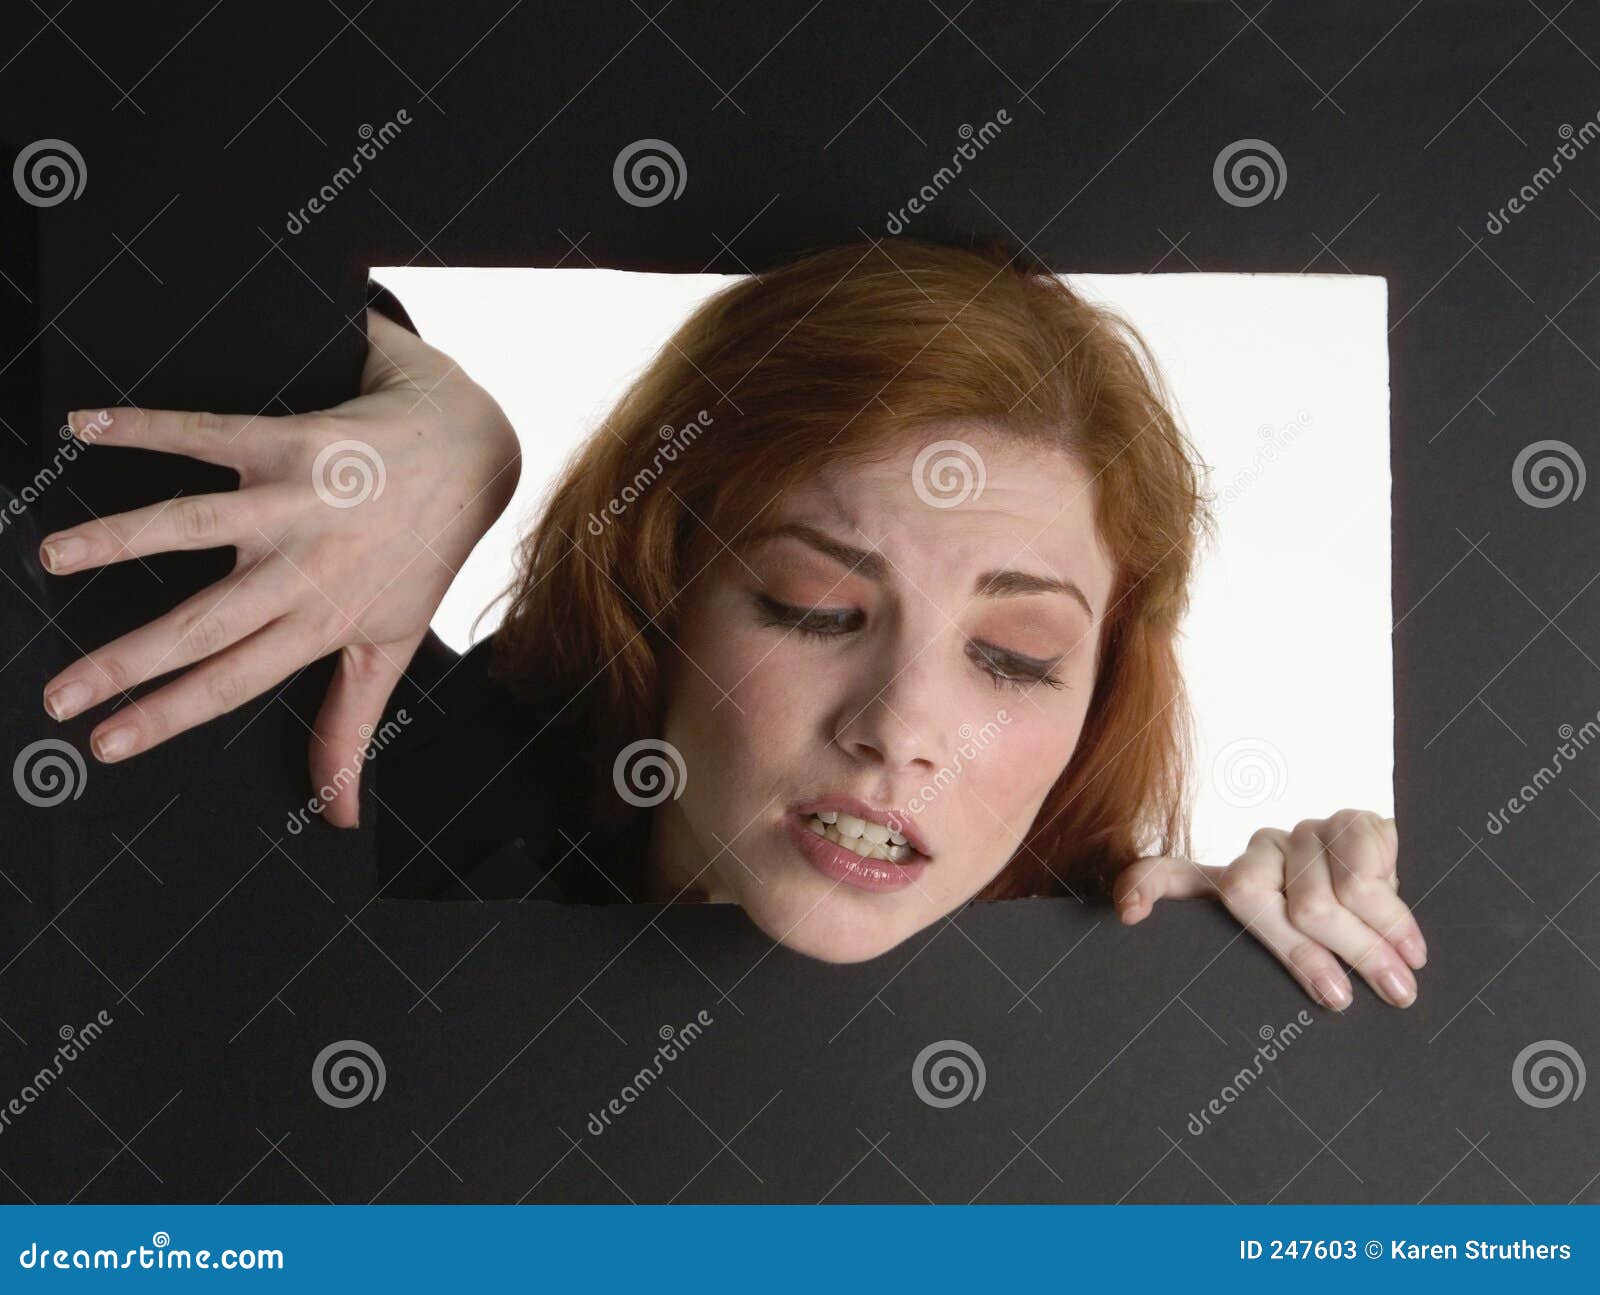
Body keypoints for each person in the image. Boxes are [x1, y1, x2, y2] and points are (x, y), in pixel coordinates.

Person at [30, 236, 1425, 1007]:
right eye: (818, 606)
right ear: (667, 588)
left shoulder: (1124, 999)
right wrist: (424, 408)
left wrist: (1203, 995)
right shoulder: (376, 786)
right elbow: (123, 200)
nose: (899, 730)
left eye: (1016, 657)